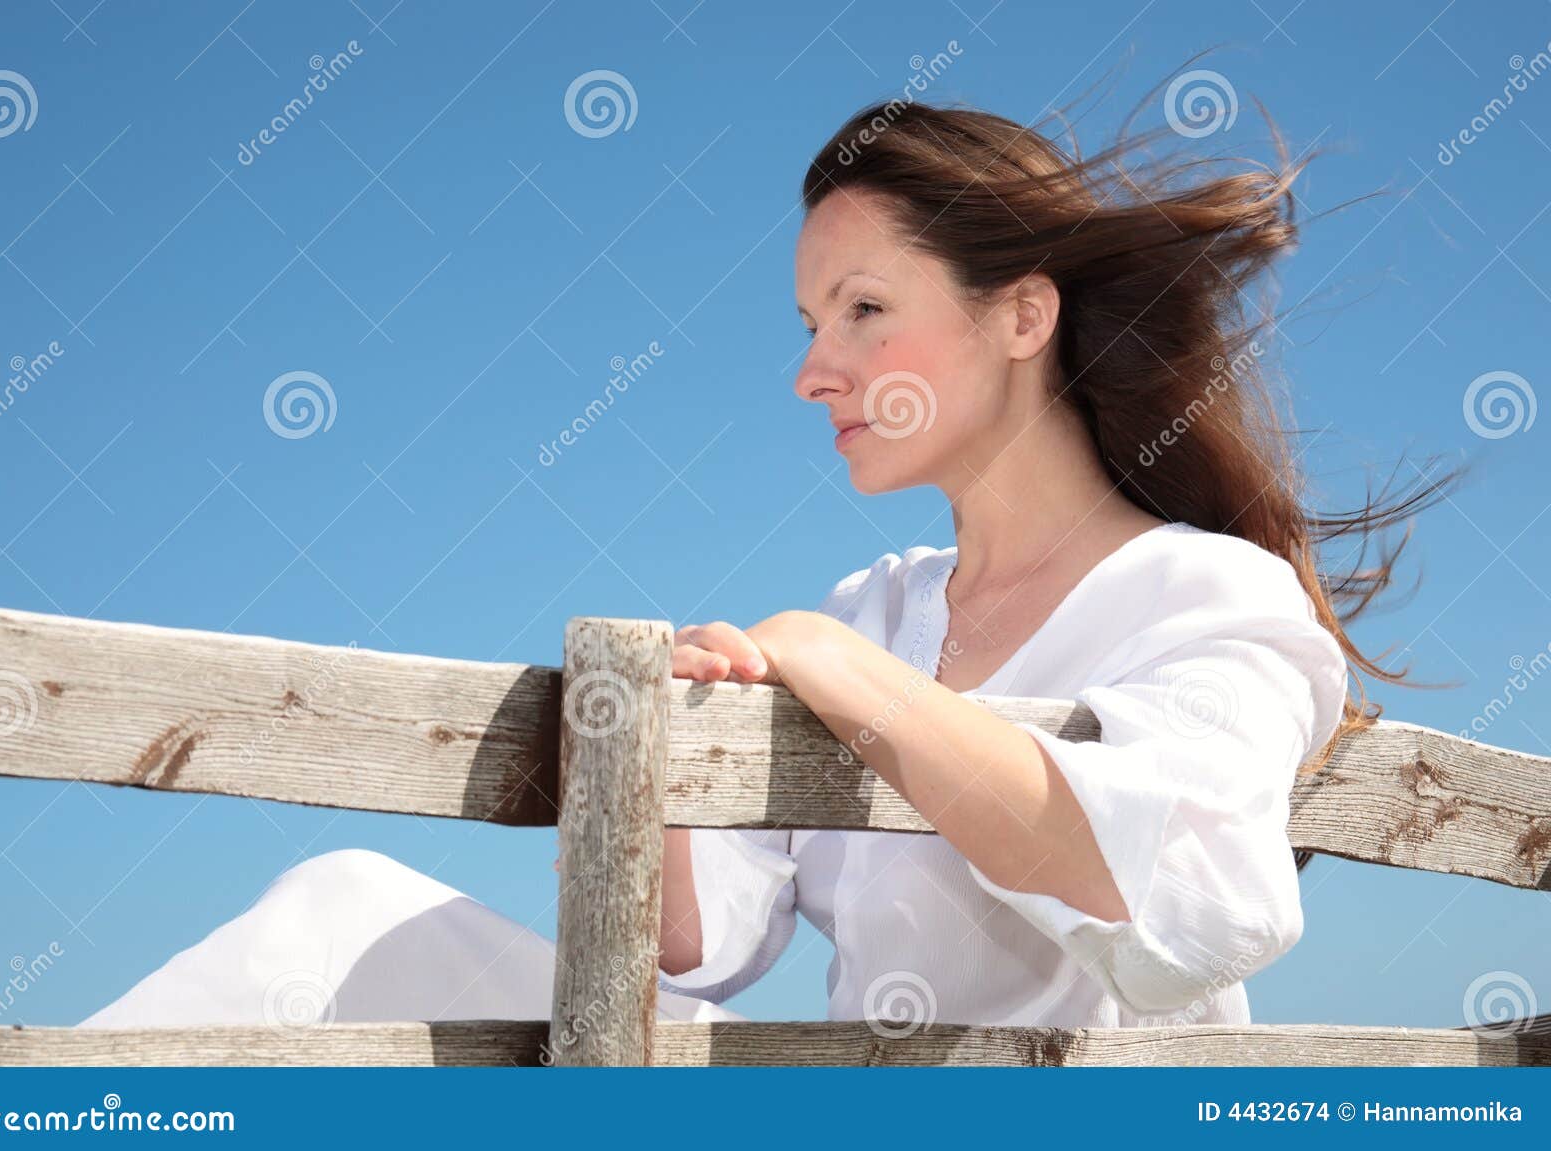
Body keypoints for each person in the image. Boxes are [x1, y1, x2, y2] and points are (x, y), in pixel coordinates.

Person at [79, 96, 1457, 1036]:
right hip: (834, 1104)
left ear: (1023, 315)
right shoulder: (880, 605)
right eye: (810, 322)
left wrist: (852, 680)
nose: (815, 370)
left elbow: (1187, 910)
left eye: (866, 310)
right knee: (341, 907)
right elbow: (701, 949)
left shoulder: (1206, 592)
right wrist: (677, 750)